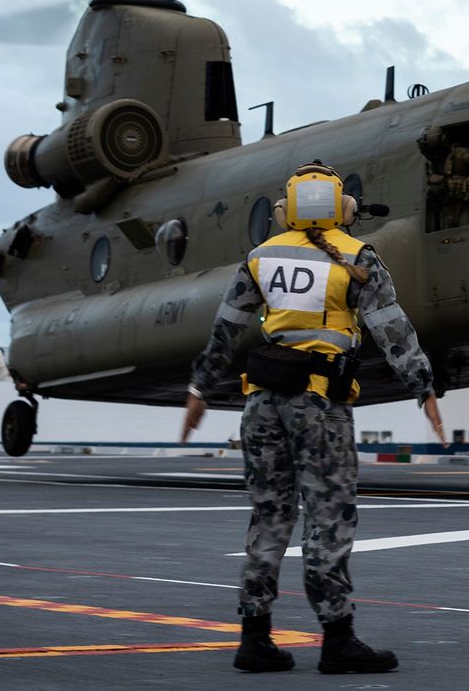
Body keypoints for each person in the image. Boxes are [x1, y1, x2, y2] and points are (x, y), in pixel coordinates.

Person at [182, 162, 445, 675]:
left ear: (287, 210)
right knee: (328, 517)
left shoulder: (260, 258)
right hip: (319, 404)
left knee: (270, 515)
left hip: (261, 404)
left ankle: (254, 638)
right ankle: (337, 639)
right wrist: (424, 389)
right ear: (344, 209)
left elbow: (225, 331)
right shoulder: (356, 259)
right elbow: (393, 331)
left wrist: (199, 389)